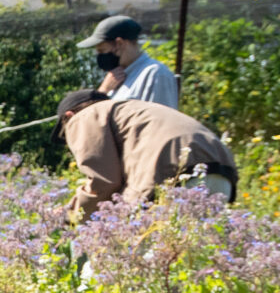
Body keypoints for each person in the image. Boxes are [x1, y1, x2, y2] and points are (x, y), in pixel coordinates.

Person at [56, 89, 236, 221]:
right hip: (222, 173)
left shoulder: (84, 117)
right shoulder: (131, 108)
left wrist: (71, 214)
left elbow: (104, 181)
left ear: (69, 115)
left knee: (134, 259)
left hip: (173, 177)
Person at [79, 15, 178, 108]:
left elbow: (161, 121)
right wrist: (102, 92)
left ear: (120, 43)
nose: (100, 56)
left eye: (102, 51)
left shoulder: (155, 74)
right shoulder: (114, 77)